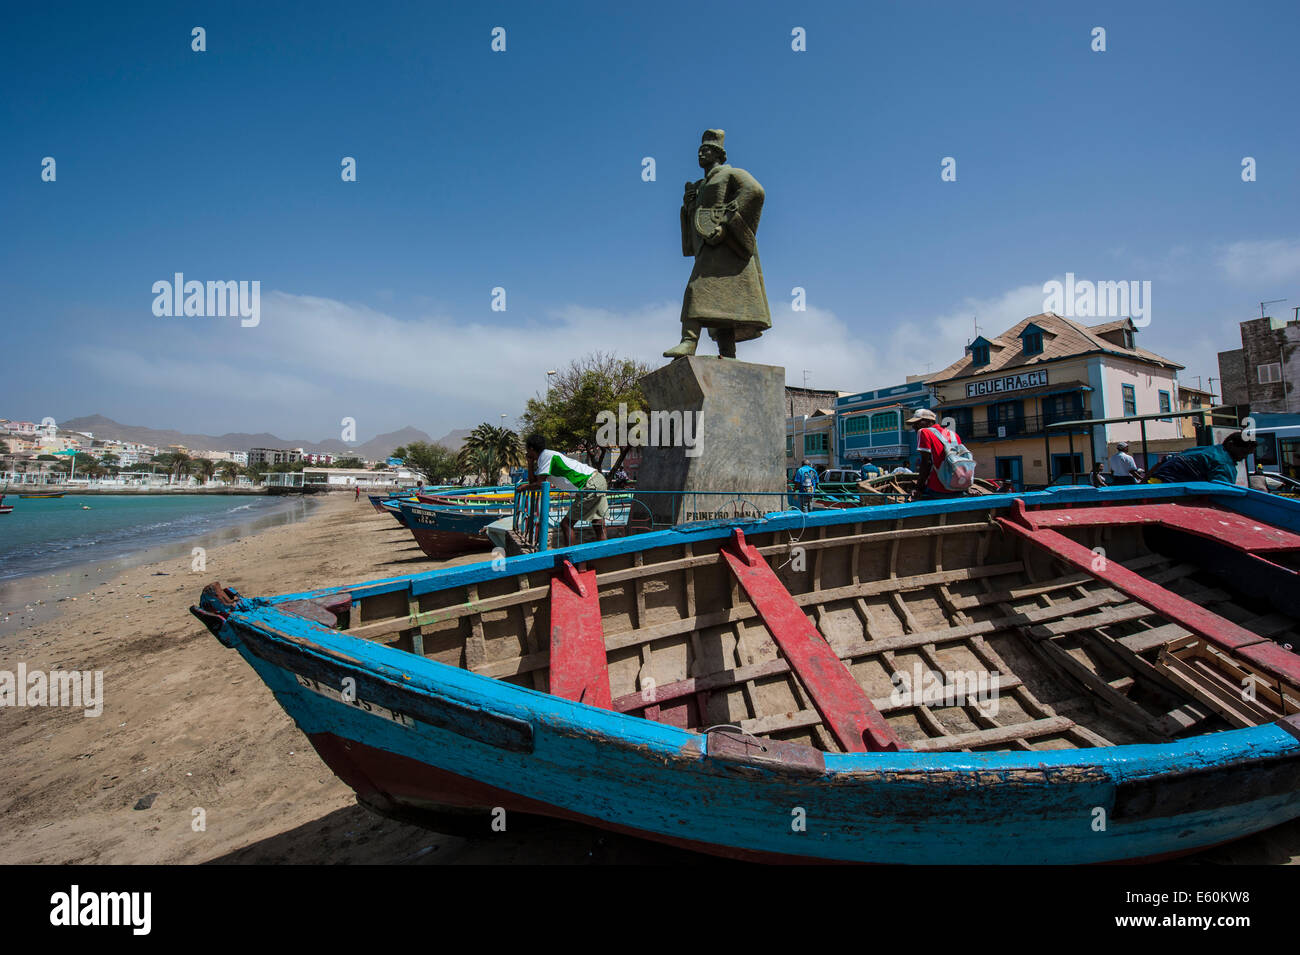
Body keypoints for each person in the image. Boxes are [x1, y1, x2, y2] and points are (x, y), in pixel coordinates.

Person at [665, 129, 771, 359]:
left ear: (718, 154)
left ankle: (688, 342)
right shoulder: (702, 183)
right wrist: (689, 207)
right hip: (709, 247)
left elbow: (755, 191)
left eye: (706, 150)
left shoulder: (731, 174)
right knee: (722, 305)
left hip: (728, 248)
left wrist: (726, 222)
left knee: (696, 289)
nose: (701, 154)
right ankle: (727, 353)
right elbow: (700, 217)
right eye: (699, 150)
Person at [524, 433, 608, 546]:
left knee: (566, 524)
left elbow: (539, 484)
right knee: (598, 523)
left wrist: (523, 488)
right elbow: (534, 482)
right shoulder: (547, 456)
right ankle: (603, 554)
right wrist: (530, 463)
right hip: (597, 479)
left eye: (527, 450)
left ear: (531, 448)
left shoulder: (546, 456)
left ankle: (570, 557)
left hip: (588, 484)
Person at [1146, 432, 1253, 486]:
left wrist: (1141, 485)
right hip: (1167, 489)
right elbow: (1223, 492)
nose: (1244, 457)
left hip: (1154, 484)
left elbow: (1162, 461)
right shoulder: (1223, 462)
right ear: (1231, 445)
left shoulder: (1208, 450)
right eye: (1243, 452)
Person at [907, 409, 968, 501]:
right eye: (913, 424)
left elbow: (926, 462)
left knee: (910, 499)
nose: (914, 426)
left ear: (929, 422)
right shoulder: (953, 434)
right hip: (957, 487)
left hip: (938, 489)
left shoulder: (924, 432)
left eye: (917, 422)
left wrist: (918, 488)